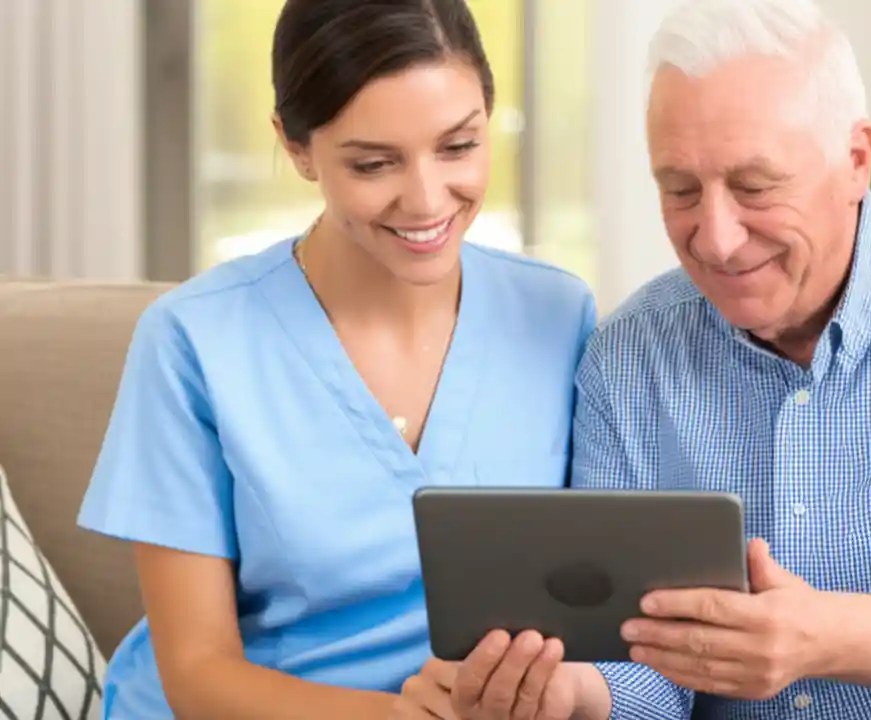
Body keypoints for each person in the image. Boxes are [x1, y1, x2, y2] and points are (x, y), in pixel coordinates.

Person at [398, 0, 871, 718]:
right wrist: (568, 692)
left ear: (856, 160)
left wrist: (833, 636)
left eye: (755, 187)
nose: (715, 238)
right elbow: (642, 658)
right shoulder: (630, 357)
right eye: (680, 190)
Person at [75, 1, 594, 717]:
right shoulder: (193, 341)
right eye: (374, 163)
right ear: (296, 148)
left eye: (458, 147)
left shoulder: (560, 317)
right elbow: (195, 674)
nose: (426, 199)